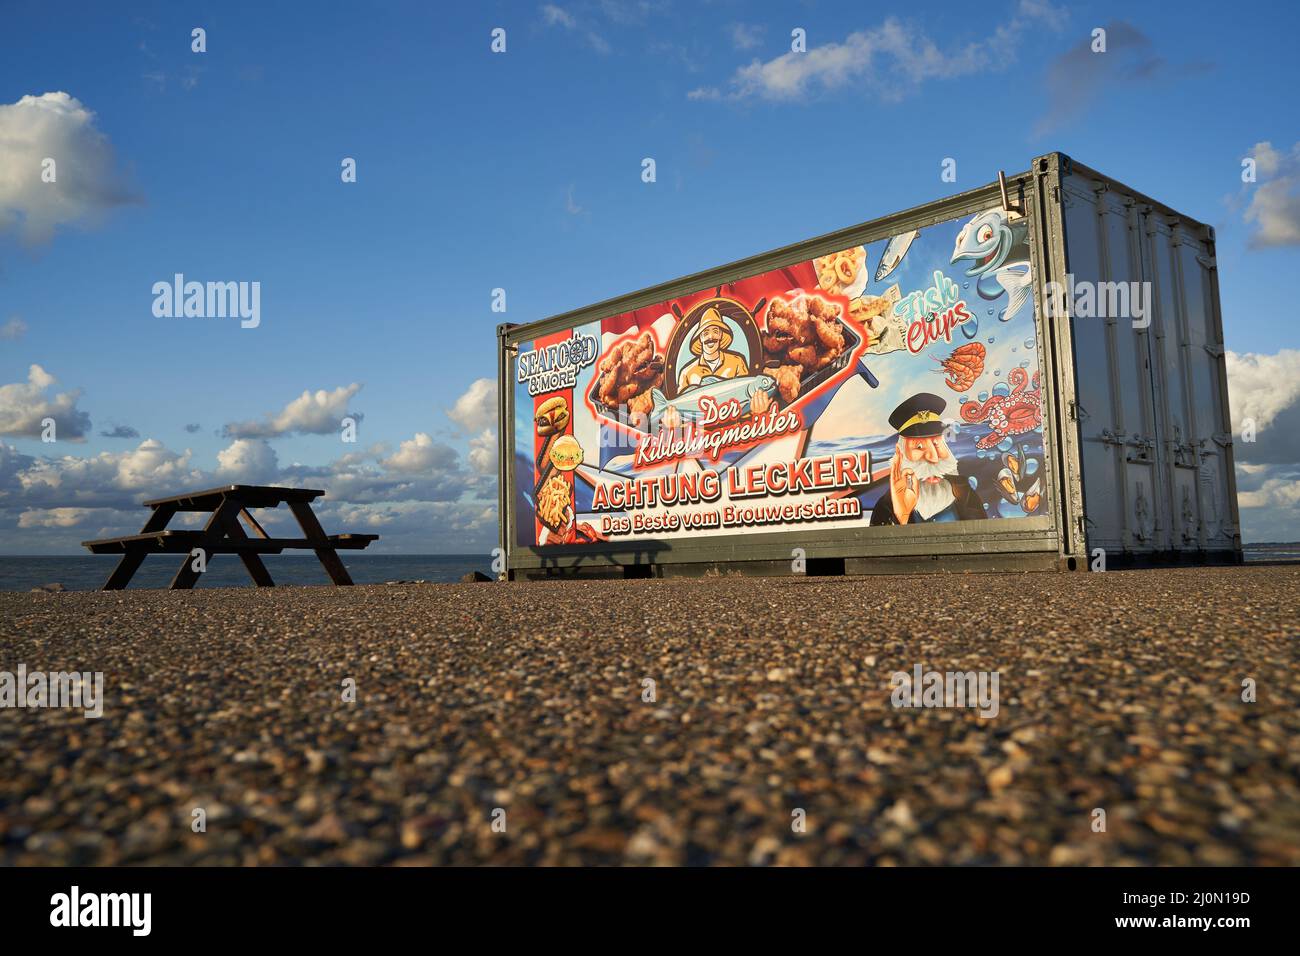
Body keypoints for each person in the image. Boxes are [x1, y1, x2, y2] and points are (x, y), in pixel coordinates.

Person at [870, 392, 985, 525]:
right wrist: (901, 517)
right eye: (919, 447)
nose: (934, 458)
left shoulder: (966, 495)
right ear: (900, 453)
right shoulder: (886, 507)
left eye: (937, 444)